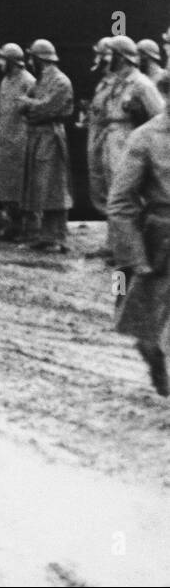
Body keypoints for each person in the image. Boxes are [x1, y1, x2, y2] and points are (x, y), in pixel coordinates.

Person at [106, 67, 170, 396]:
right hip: (161, 242)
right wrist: (133, 256)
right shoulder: (145, 138)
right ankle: (157, 363)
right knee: (147, 330)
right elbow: (120, 203)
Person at [19, 38, 74, 253]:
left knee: (54, 185)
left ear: (39, 59)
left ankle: (57, 235)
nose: (30, 61)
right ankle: (44, 234)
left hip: (51, 135)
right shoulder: (39, 81)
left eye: (32, 57)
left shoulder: (61, 81)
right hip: (37, 135)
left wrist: (29, 105)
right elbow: (22, 107)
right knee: (39, 185)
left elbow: (46, 109)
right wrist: (30, 106)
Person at [99, 36, 163, 215]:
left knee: (129, 193)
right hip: (114, 140)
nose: (105, 58)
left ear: (119, 57)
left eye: (110, 54)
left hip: (130, 141)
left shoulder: (141, 84)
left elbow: (159, 117)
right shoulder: (118, 82)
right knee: (114, 190)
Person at [0, 43, 36, 240]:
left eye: (2, 59)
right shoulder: (5, 81)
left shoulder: (29, 82)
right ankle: (12, 226)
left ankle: (28, 228)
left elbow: (35, 111)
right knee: (4, 185)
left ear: (11, 62)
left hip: (20, 140)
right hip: (3, 139)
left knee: (20, 186)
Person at [85, 37, 115, 218]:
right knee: (98, 182)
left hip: (109, 138)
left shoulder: (118, 82)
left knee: (113, 183)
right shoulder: (104, 81)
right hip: (97, 136)